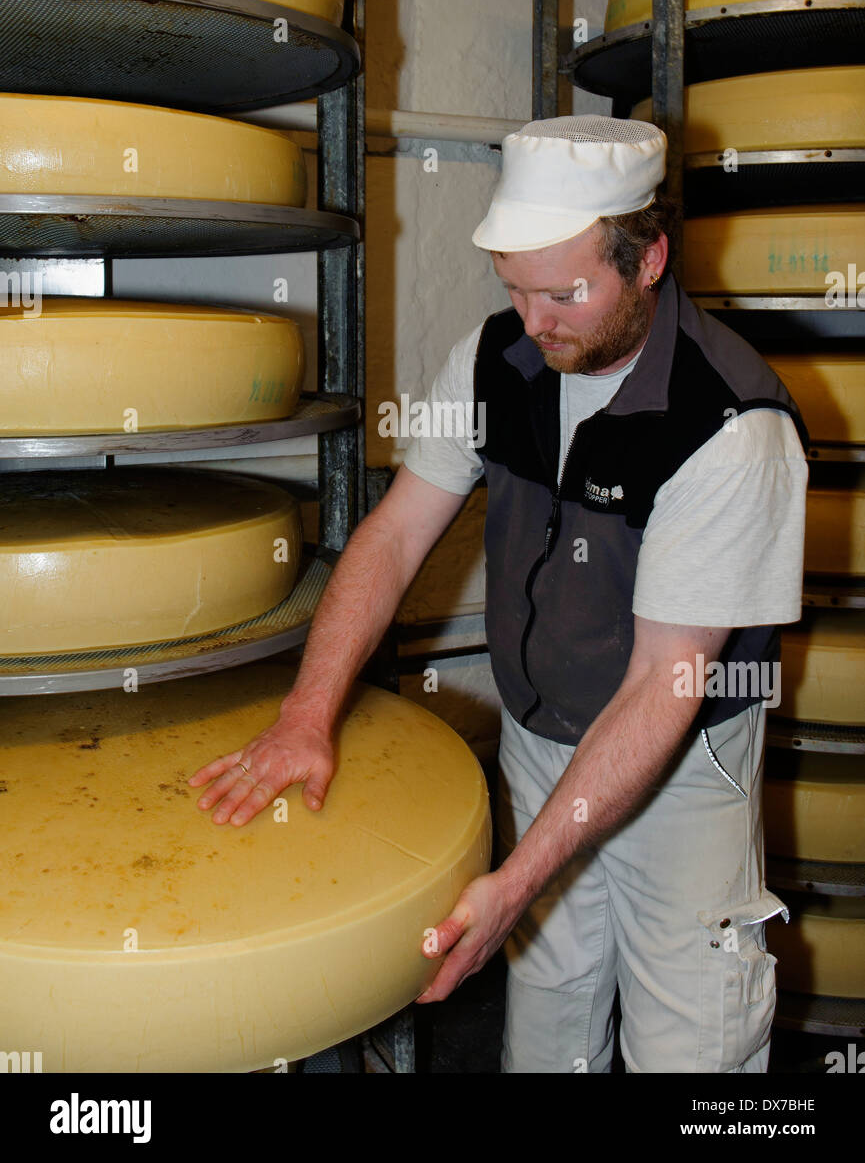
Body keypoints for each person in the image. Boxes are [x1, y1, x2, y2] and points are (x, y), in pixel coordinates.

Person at [189, 115, 809, 1073]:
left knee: (690, 1038)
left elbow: (664, 683)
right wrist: (306, 714)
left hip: (678, 760)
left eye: (563, 293)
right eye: (513, 291)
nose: (534, 323)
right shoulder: (500, 357)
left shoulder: (727, 426)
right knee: (549, 1014)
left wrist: (513, 883)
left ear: (647, 261)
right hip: (537, 738)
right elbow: (393, 535)